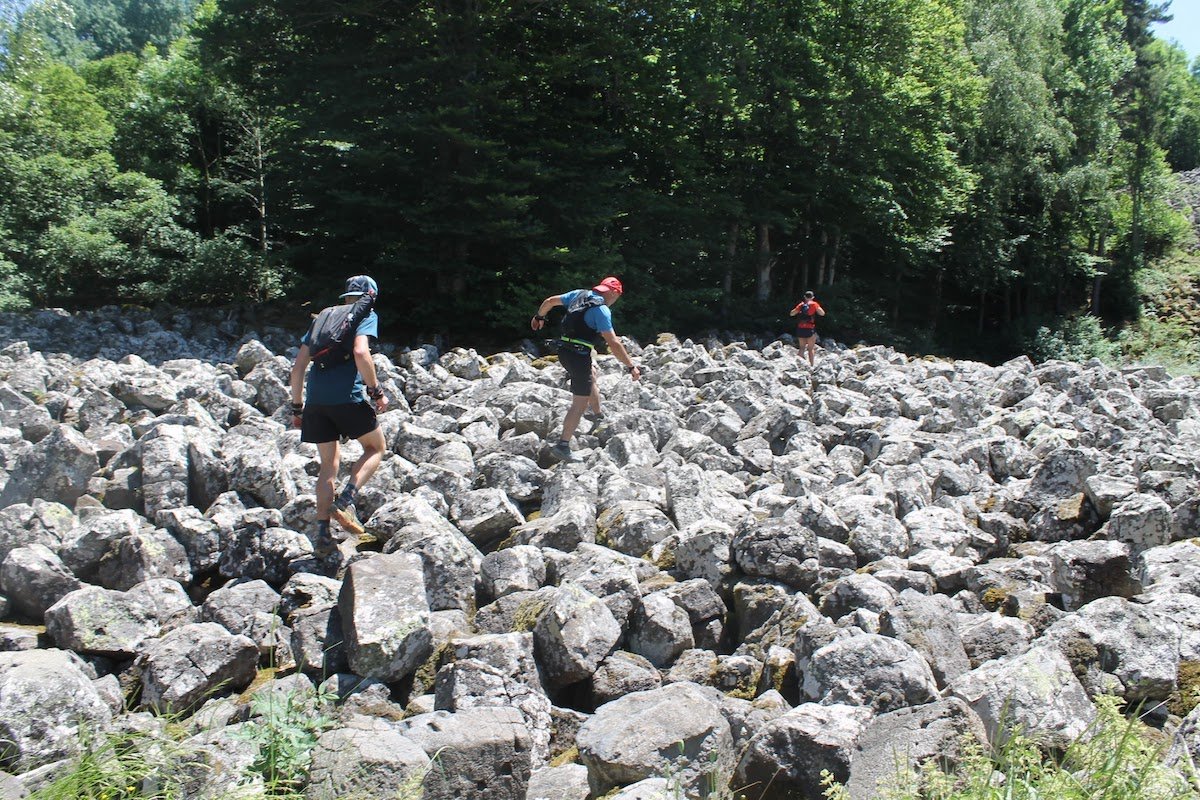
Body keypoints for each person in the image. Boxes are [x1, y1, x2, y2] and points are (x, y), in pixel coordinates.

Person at [288, 275, 389, 557]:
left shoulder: (322, 317)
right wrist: (376, 392)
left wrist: (297, 408)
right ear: (370, 296)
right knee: (376, 448)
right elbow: (360, 352)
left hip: (316, 401)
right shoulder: (365, 315)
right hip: (347, 397)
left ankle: (322, 535)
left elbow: (298, 367)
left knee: (328, 466)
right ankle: (346, 501)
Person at [531, 276, 640, 462]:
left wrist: (539, 317)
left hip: (564, 351)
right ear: (615, 294)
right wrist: (631, 366)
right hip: (578, 357)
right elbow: (613, 343)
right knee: (579, 403)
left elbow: (549, 301)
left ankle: (598, 416)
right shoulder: (602, 310)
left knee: (592, 375)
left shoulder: (578, 294)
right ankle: (563, 445)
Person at [789, 290, 826, 366]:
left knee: (802, 348)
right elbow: (822, 313)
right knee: (810, 349)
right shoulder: (814, 304)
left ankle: (798, 365)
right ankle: (811, 365)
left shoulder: (801, 305)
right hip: (810, 328)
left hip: (800, 328)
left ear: (804, 297)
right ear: (813, 297)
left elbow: (792, 313)